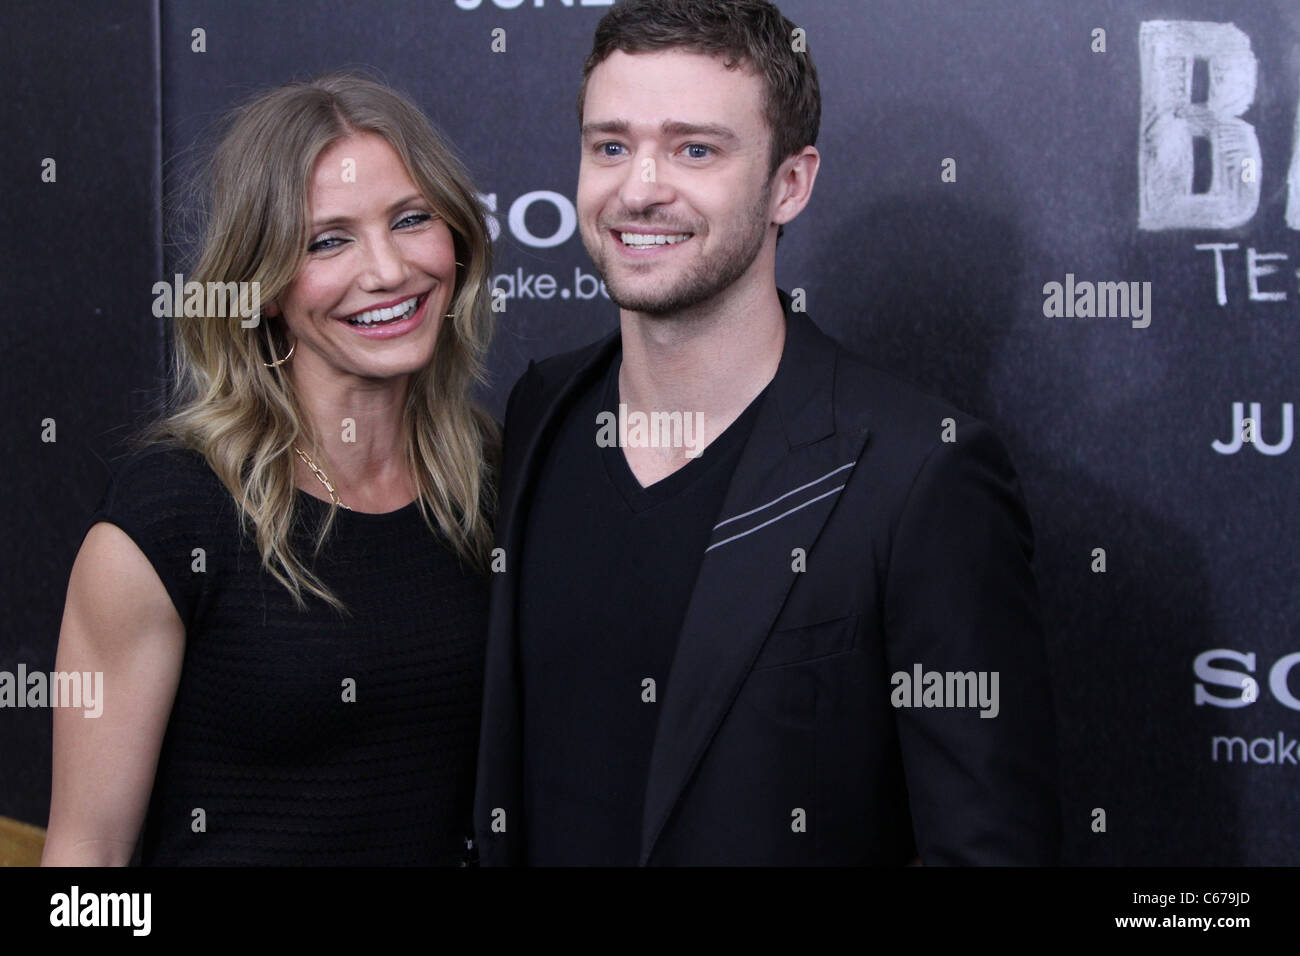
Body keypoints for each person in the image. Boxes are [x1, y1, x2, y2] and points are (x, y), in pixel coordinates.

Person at [474, 0, 1061, 865]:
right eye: (611, 146)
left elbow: (989, 851)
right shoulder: (541, 410)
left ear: (791, 182)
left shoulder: (922, 474)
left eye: (694, 148)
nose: (639, 187)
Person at [42, 71, 498, 866]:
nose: (387, 270)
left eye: (411, 219)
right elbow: (86, 862)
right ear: (264, 287)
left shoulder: (493, 483)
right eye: (329, 240)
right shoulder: (170, 518)